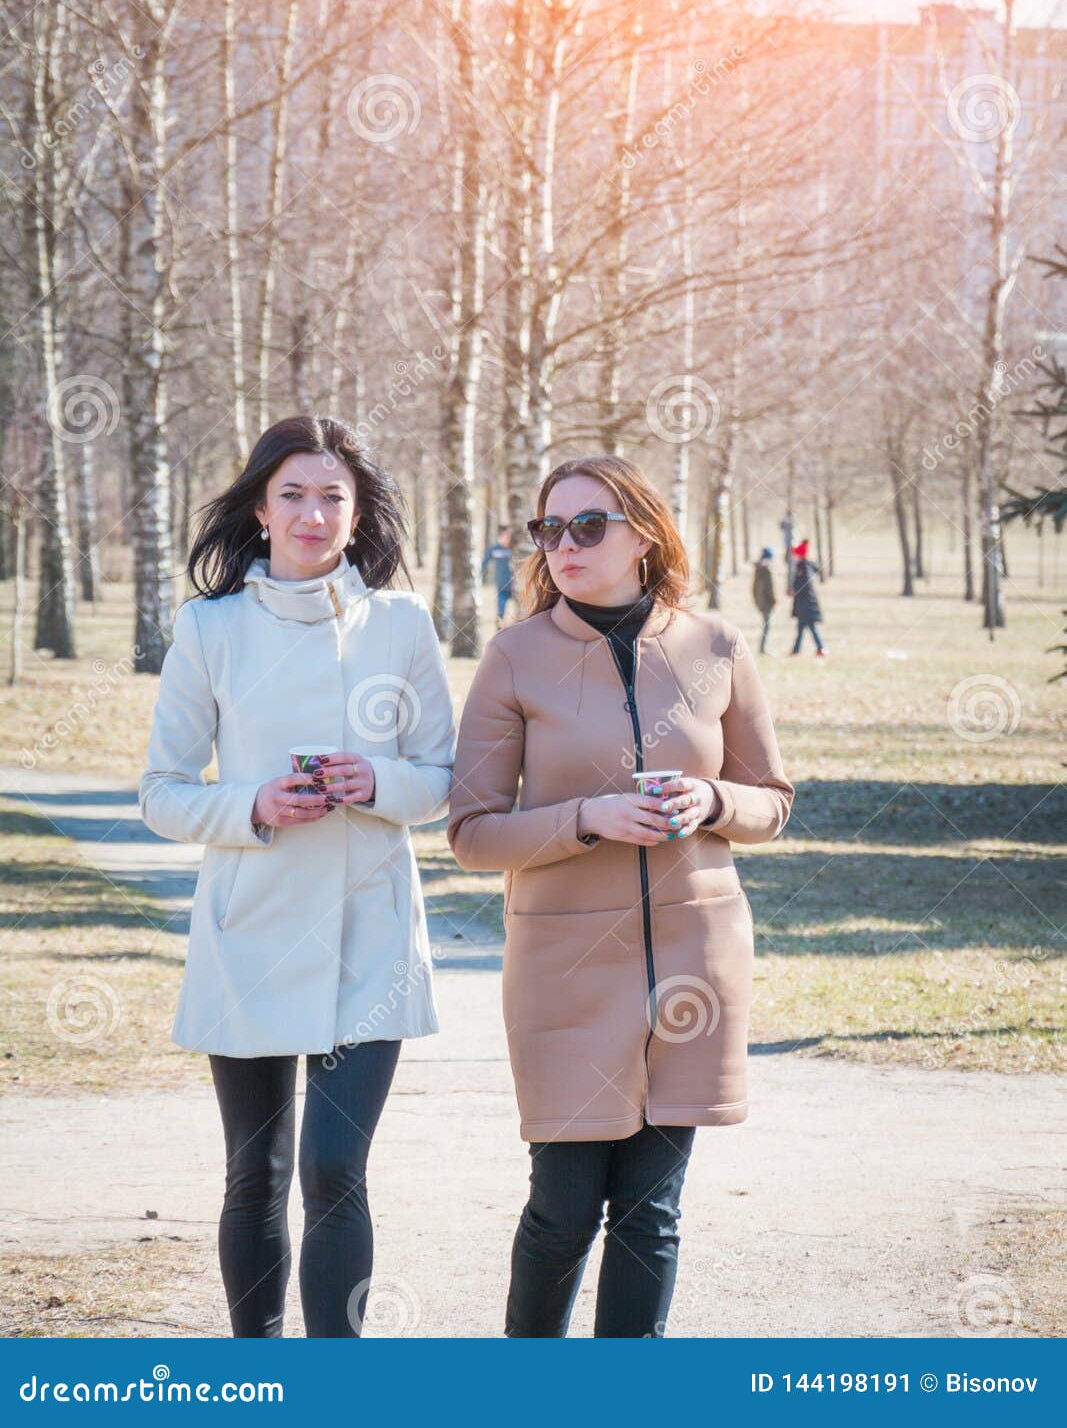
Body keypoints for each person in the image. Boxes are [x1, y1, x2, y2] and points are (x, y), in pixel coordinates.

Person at [448, 456, 794, 1337]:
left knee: (650, 1216)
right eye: (548, 530)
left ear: (643, 533)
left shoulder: (715, 644)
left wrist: (712, 800)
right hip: (563, 971)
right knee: (561, 1212)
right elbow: (473, 833)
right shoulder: (515, 654)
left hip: (693, 966)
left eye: (588, 526)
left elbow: (772, 804)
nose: (565, 545)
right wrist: (587, 817)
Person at [138, 413, 456, 1337]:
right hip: (251, 934)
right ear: (262, 509)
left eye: (332, 497)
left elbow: (440, 779)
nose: (313, 514)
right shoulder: (211, 628)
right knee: (257, 1174)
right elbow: (161, 793)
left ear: (357, 517)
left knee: (334, 1170)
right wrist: (253, 806)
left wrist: (378, 781)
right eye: (293, 495)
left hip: (371, 938)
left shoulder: (402, 623)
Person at [787, 538, 827, 657]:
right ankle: (796, 650)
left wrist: (794, 590)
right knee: (801, 629)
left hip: (806, 604)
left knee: (810, 627)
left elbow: (803, 585)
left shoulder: (802, 567)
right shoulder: (805, 565)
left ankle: (820, 648)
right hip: (803, 604)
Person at [481, 524, 514, 627]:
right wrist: (483, 575)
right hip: (501, 583)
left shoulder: (513, 549)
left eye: (508, 536)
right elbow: (484, 562)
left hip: (515, 584)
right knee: (501, 605)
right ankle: (499, 625)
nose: (507, 538)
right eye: (504, 536)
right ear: (500, 536)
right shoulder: (494, 549)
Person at [752, 544, 776, 654]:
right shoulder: (767, 570)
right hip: (767, 603)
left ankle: (763, 648)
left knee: (766, 625)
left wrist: (757, 601)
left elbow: (754, 588)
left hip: (760, 602)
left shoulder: (758, 569)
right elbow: (770, 588)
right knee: (767, 626)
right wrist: (773, 601)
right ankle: (763, 649)